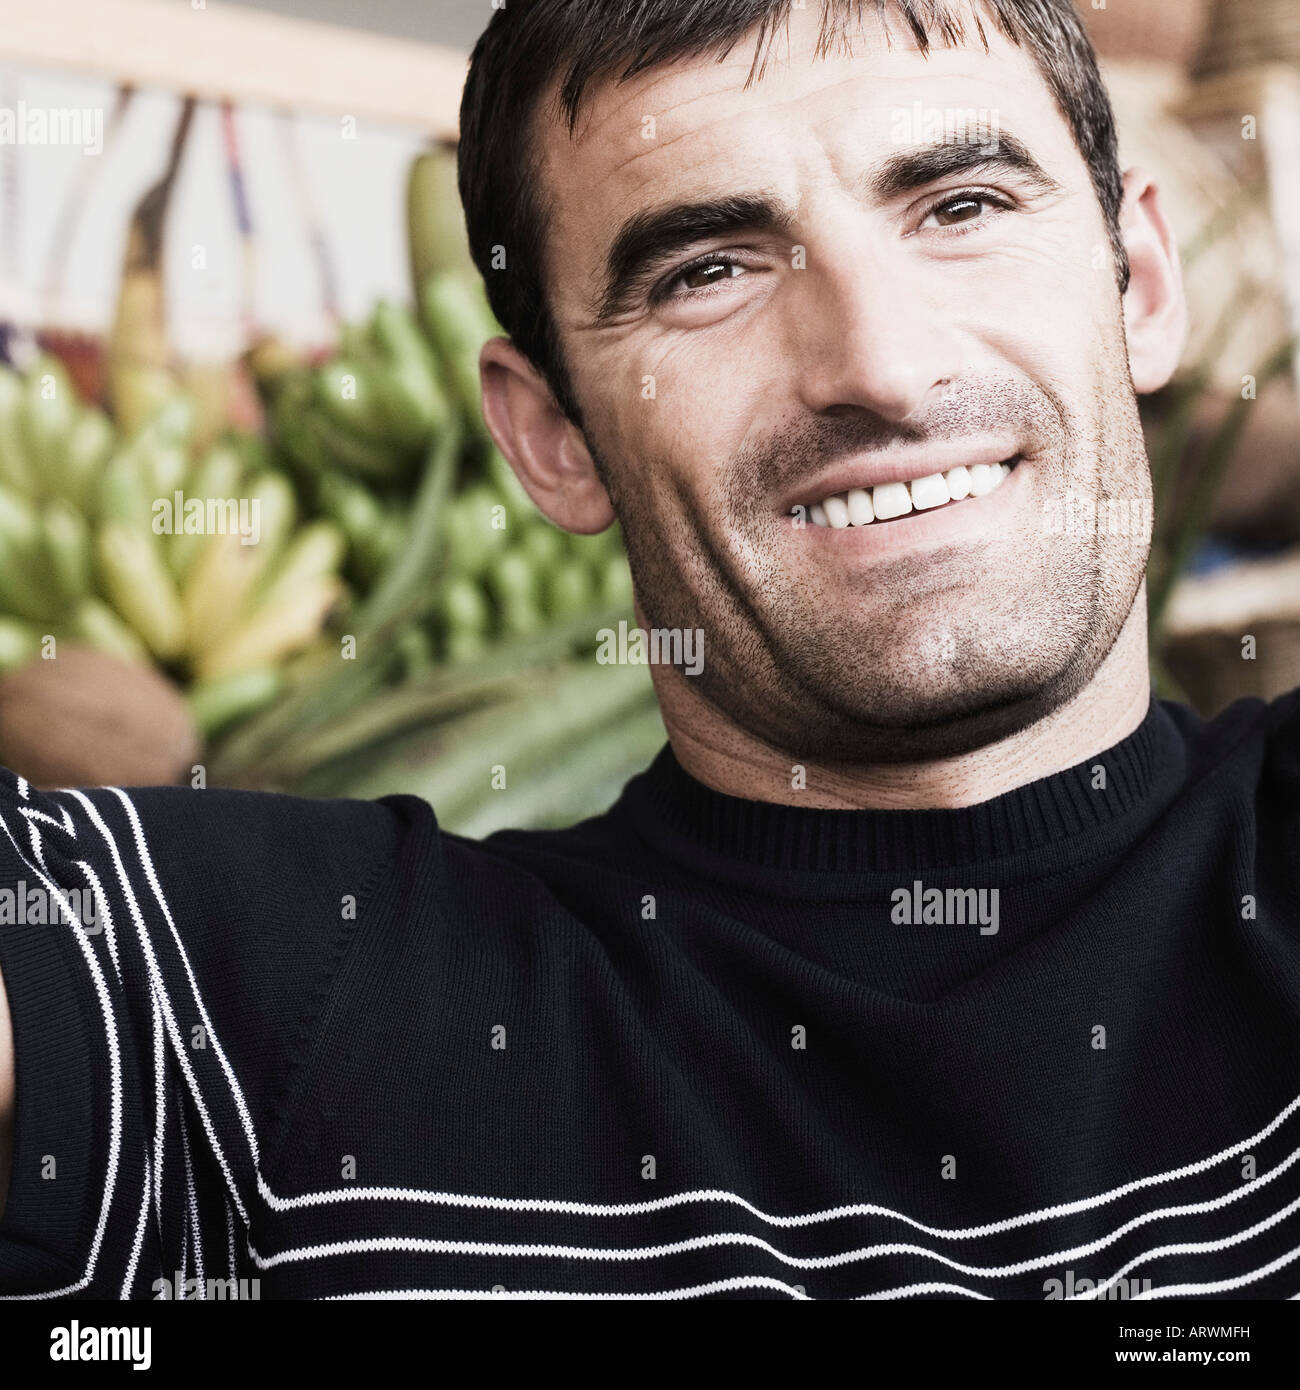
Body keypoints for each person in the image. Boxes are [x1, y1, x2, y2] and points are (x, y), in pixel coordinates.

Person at [2, 0, 1298, 1302]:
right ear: (550, 438)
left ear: (1139, 281)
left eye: (960, 207)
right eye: (707, 272)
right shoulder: (295, 993)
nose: (885, 366)